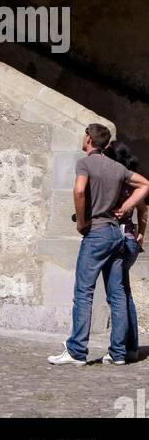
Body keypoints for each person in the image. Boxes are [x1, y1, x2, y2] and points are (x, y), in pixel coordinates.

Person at [48, 123, 149, 366]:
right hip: (117, 235)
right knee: (118, 293)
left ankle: (76, 351)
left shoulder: (85, 163)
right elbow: (145, 184)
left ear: (88, 138)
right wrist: (126, 207)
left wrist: (81, 222)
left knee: (84, 292)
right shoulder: (117, 167)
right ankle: (118, 353)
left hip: (97, 233)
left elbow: (79, 190)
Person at [106, 139, 147, 362]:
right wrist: (141, 235)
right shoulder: (132, 182)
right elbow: (143, 211)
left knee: (116, 296)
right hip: (131, 241)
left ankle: (119, 350)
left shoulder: (116, 181)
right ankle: (131, 347)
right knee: (125, 292)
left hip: (118, 242)